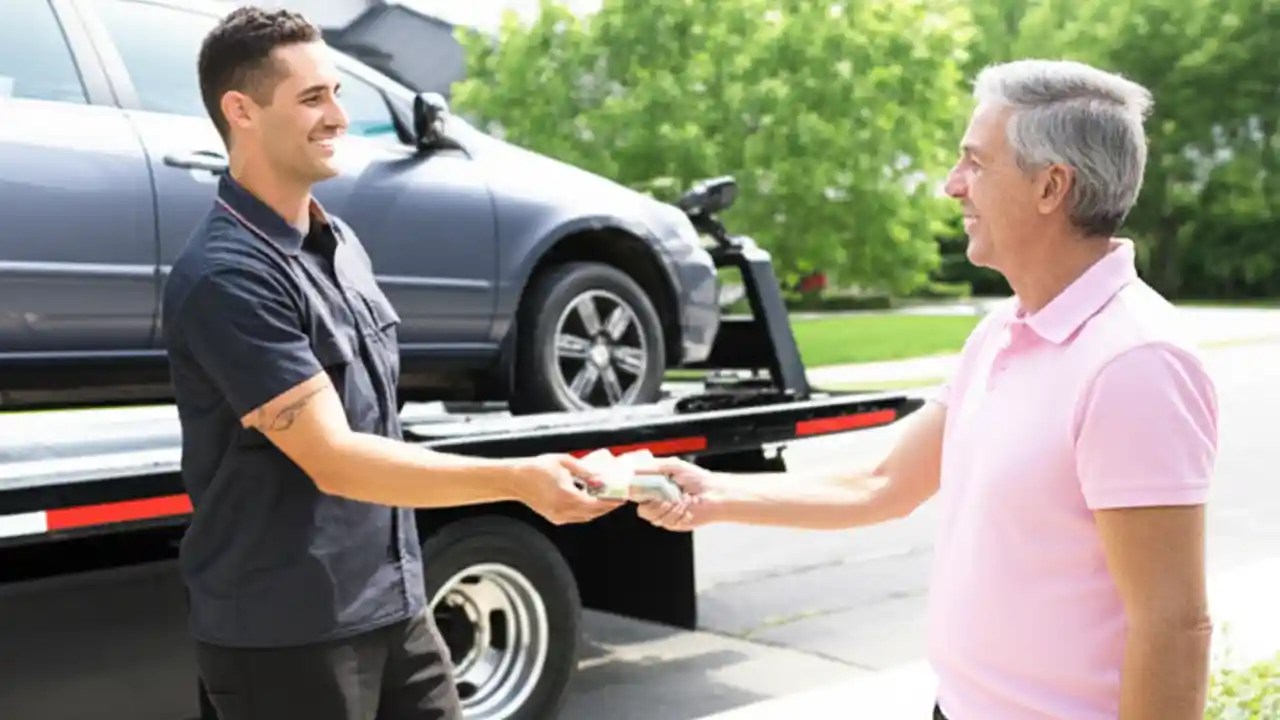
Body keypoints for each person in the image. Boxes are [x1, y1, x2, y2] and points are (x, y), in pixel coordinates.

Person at [638, 59, 1218, 720]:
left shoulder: (1136, 363)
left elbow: (1173, 625)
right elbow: (882, 484)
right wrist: (712, 493)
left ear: (1051, 186)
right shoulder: (1003, 331)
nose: (952, 185)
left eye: (975, 163)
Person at [160, 7, 621, 719]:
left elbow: (378, 426)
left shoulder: (339, 242)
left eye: (338, 93)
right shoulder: (229, 275)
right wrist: (516, 480)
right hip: (288, 635)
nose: (339, 116)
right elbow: (335, 458)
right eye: (312, 97)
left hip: (395, 607)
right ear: (241, 111)